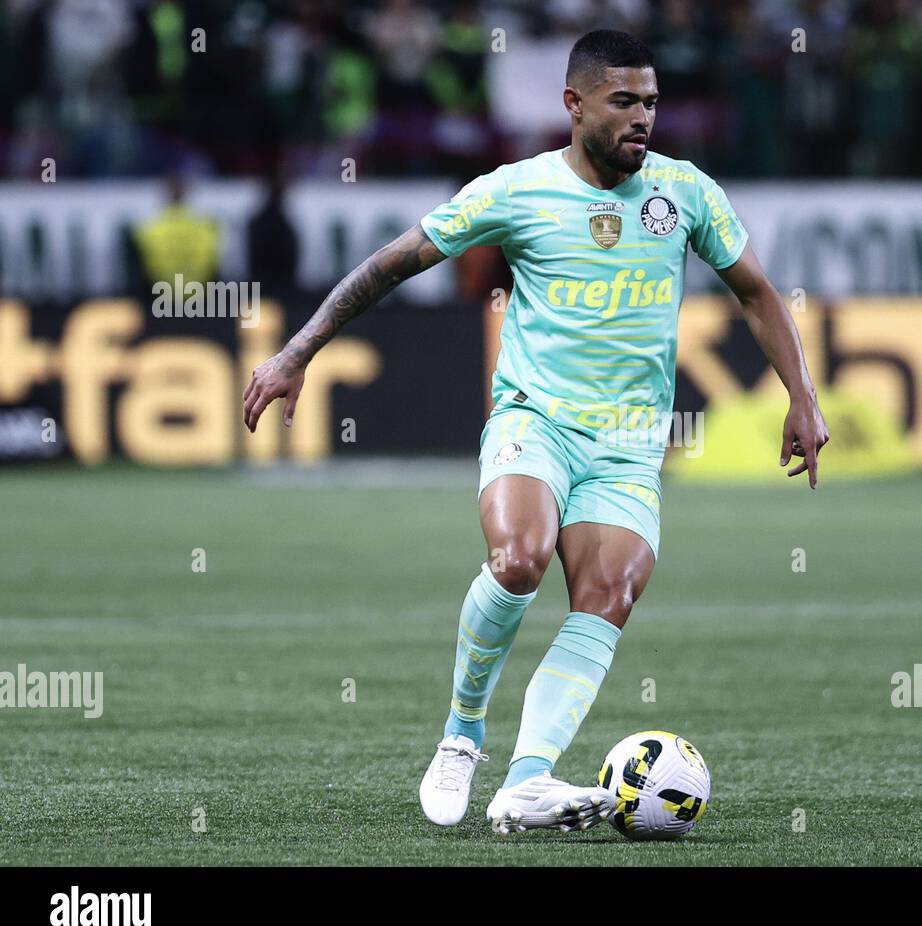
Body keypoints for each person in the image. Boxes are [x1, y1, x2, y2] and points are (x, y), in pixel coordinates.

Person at [241, 30, 829, 835]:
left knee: (608, 593)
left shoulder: (685, 193)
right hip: (536, 421)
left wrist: (802, 396)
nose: (642, 119)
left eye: (651, 103)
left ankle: (525, 780)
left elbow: (758, 292)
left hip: (627, 444)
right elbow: (393, 262)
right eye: (623, 102)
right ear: (574, 104)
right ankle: (461, 734)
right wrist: (297, 351)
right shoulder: (514, 191)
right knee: (517, 561)